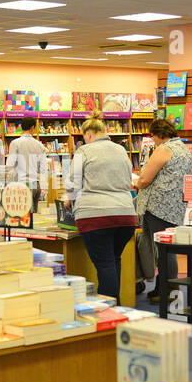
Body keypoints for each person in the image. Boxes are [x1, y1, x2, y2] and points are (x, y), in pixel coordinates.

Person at [63, 117, 137, 301]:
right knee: (113, 260)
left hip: (95, 215)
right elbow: (129, 180)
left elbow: (73, 183)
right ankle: (116, 305)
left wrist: (69, 199)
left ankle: (109, 309)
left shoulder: (84, 151)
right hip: (126, 215)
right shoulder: (121, 150)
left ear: (89, 134)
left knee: (104, 263)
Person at [132, 118, 192, 300]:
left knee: (164, 251)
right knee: (167, 250)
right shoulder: (184, 149)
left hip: (159, 207)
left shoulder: (164, 149)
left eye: (153, 137)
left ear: (160, 135)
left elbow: (145, 179)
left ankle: (169, 292)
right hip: (176, 207)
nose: (153, 141)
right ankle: (163, 287)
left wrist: (135, 182)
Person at [6, 118, 46, 209]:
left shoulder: (15, 143)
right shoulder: (40, 145)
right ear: (32, 128)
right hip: (35, 185)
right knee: (33, 218)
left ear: (21, 127)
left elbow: (9, 165)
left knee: (22, 218)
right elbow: (43, 169)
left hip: (21, 184)